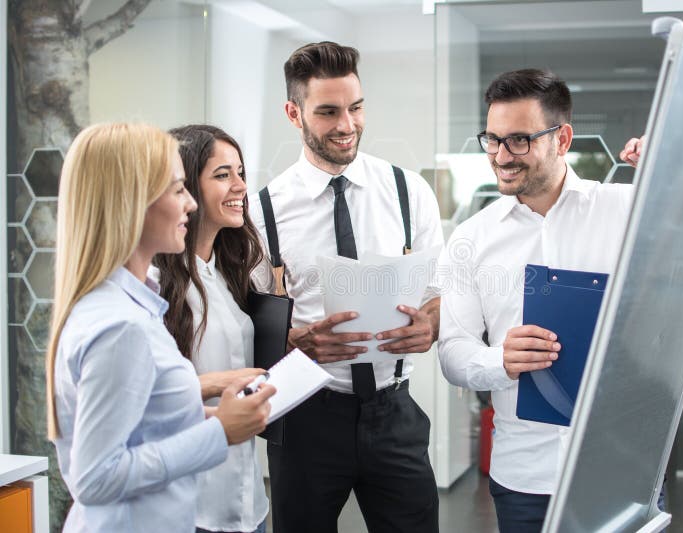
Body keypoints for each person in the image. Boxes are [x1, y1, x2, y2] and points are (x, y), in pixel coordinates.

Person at [436, 69, 683, 533]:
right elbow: (452, 354)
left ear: (562, 138)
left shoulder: (629, 209)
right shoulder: (470, 239)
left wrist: (678, 173)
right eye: (493, 139)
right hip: (524, 478)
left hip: (622, 471)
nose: (501, 156)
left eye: (520, 140)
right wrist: (499, 360)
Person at [249, 41, 442, 532]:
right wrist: (295, 342)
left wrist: (431, 326)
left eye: (355, 108)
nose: (347, 125)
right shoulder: (261, 211)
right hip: (307, 418)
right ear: (294, 114)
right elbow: (249, 323)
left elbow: (438, 291)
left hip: (394, 411)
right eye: (328, 112)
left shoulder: (408, 191)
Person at [46, 123, 275, 533]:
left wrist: (214, 414)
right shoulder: (120, 326)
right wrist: (219, 431)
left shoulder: (129, 305)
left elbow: (146, 422)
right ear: (131, 202)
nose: (189, 203)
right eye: (176, 189)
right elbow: (96, 478)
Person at [152, 125, 269, 533]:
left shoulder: (229, 274)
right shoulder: (156, 282)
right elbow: (150, 394)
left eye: (240, 172)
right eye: (222, 175)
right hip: (191, 508)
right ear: (184, 185)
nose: (239, 186)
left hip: (248, 502)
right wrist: (218, 383)